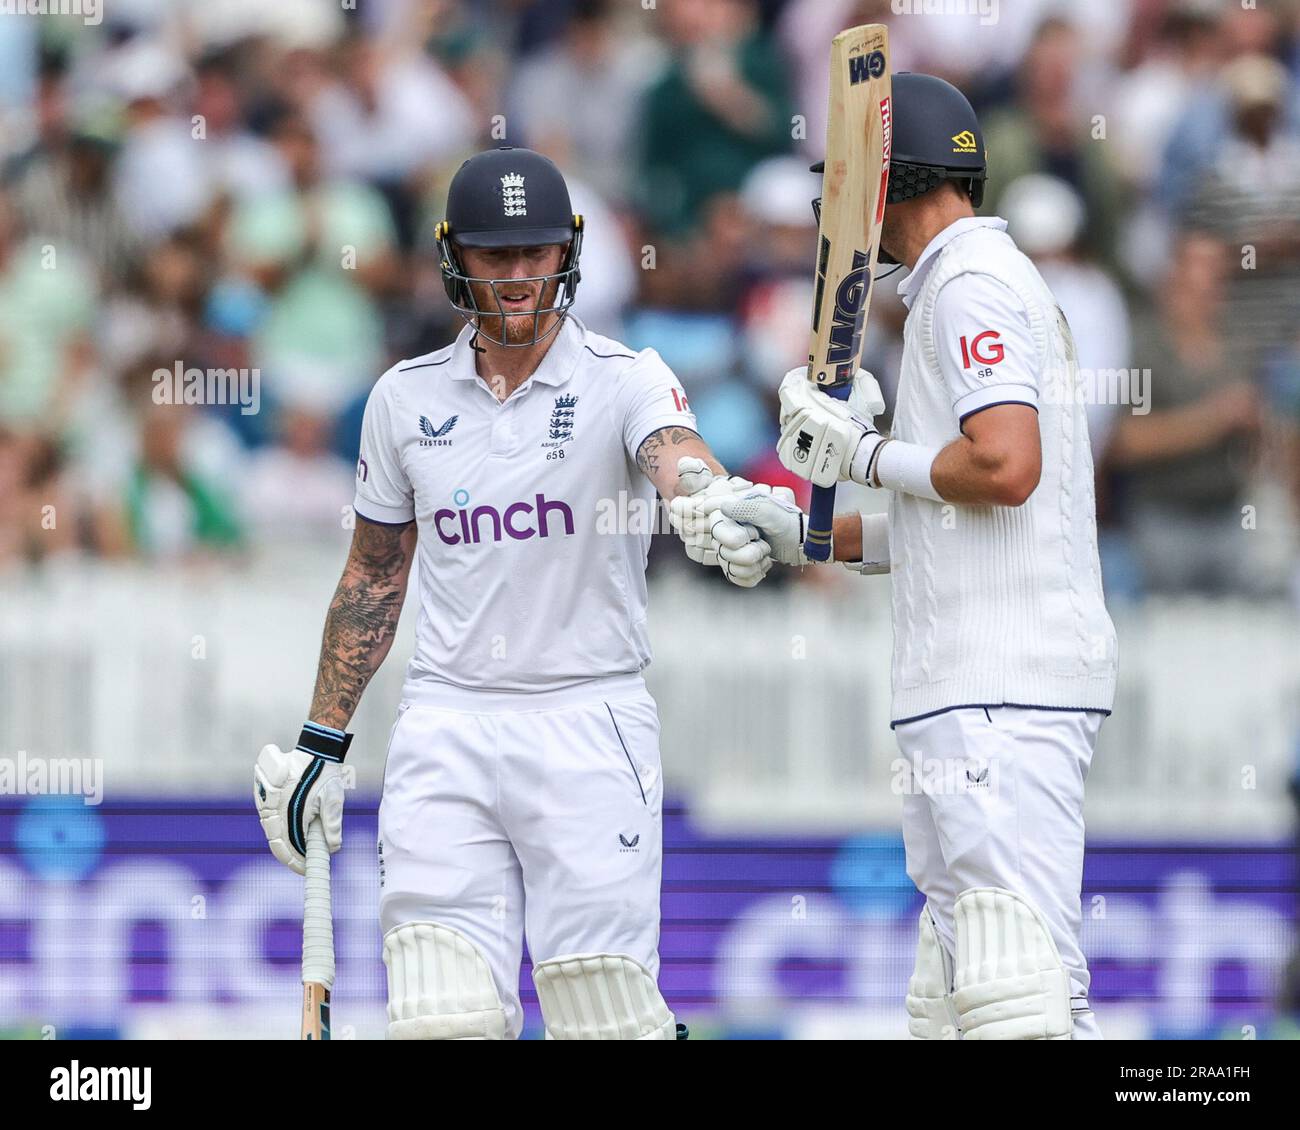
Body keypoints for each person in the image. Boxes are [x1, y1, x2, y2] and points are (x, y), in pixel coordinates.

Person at [253, 147, 778, 1040]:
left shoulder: (625, 375)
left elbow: (675, 450)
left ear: (568, 251)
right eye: (498, 256)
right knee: (440, 1021)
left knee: (605, 1017)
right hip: (446, 726)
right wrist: (320, 742)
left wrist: (706, 495)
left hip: (588, 720)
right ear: (455, 257)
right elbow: (375, 576)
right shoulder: (401, 399)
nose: (521, 275)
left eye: (537, 253)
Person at [678, 75, 1118, 1039]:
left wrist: (865, 456)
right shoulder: (957, 288)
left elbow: (1005, 468)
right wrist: (806, 531)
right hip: (973, 688)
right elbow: (958, 519)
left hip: (1004, 691)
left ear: (891, 182)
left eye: (847, 185)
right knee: (965, 995)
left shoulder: (970, 284)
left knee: (1025, 996)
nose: (836, 211)